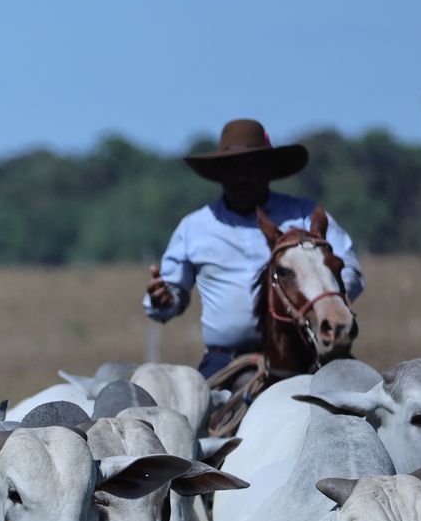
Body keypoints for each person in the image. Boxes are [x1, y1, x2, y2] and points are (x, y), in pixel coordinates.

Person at [144, 119, 364, 379]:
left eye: (251, 166)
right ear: (220, 174)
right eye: (232, 168)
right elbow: (168, 296)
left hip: (306, 355)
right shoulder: (193, 227)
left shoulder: (305, 215)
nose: (241, 176)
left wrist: (325, 301)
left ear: (269, 170)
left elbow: (349, 270)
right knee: (195, 413)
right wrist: (164, 300)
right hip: (226, 363)